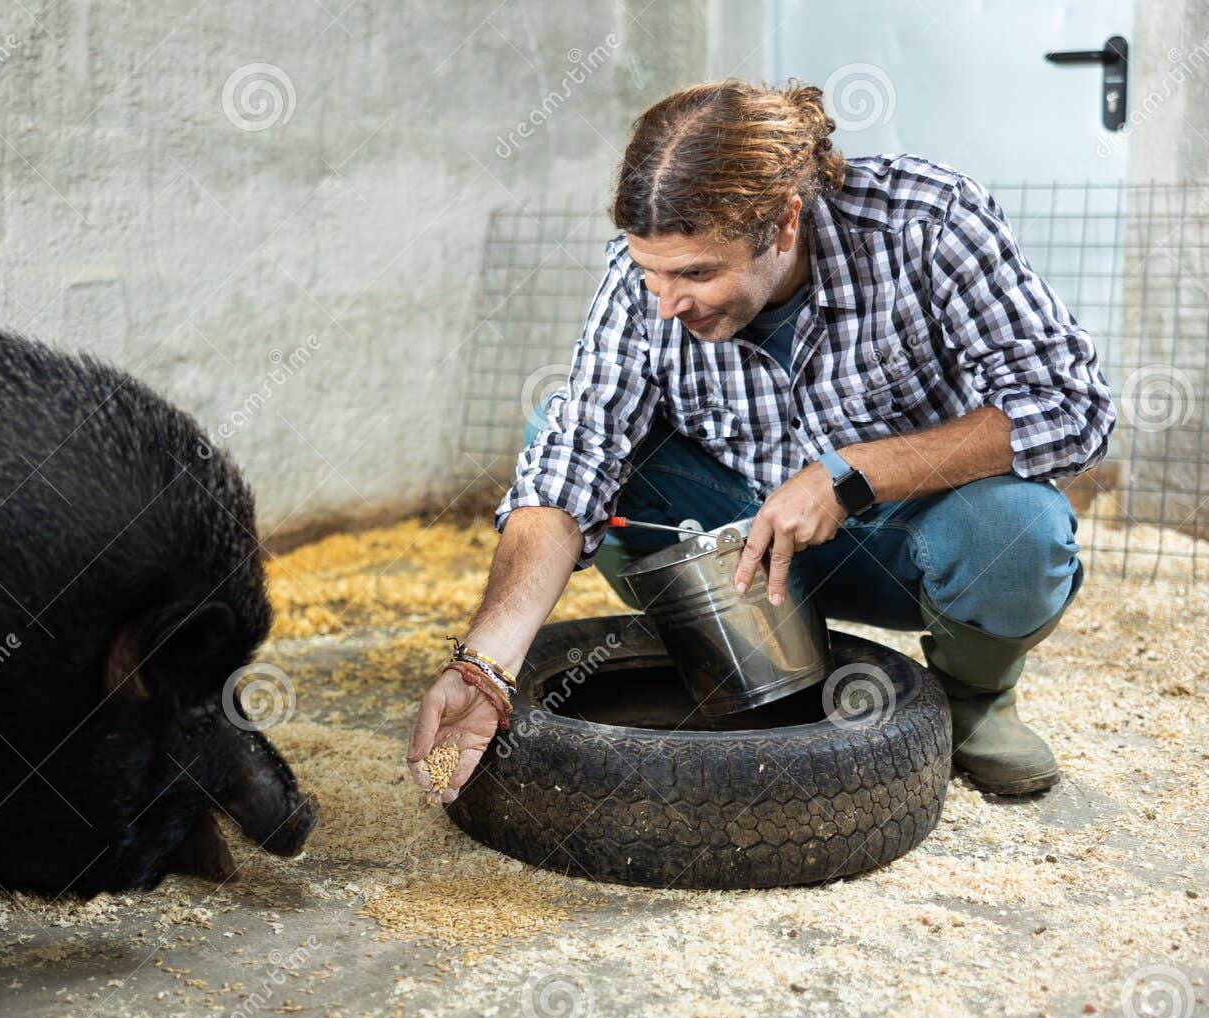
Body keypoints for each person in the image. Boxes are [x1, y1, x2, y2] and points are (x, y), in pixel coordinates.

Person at [406, 79, 1114, 801]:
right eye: (651, 271)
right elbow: (572, 461)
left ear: (783, 223)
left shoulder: (926, 219)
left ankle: (972, 701)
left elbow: (1071, 405)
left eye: (697, 273)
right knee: (556, 431)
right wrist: (482, 667)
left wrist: (850, 475)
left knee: (1020, 527)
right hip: (736, 545)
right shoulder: (643, 283)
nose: (667, 303)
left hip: (906, 542)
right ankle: (738, 658)